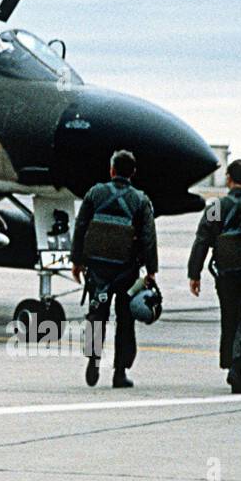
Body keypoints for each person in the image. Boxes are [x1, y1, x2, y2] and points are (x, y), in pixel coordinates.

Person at [71, 149, 159, 389]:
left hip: (97, 269)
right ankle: (120, 372)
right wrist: (151, 270)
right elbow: (148, 237)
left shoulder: (94, 193)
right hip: (127, 271)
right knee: (125, 320)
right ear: (133, 173)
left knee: (96, 315)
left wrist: (76, 261)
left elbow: (80, 228)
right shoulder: (141, 200)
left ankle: (93, 359)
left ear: (111, 170)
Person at [187, 158, 241, 394]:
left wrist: (195, 273)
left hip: (227, 274)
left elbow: (203, 239)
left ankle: (232, 364)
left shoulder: (216, 208)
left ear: (229, 179)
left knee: (230, 318)